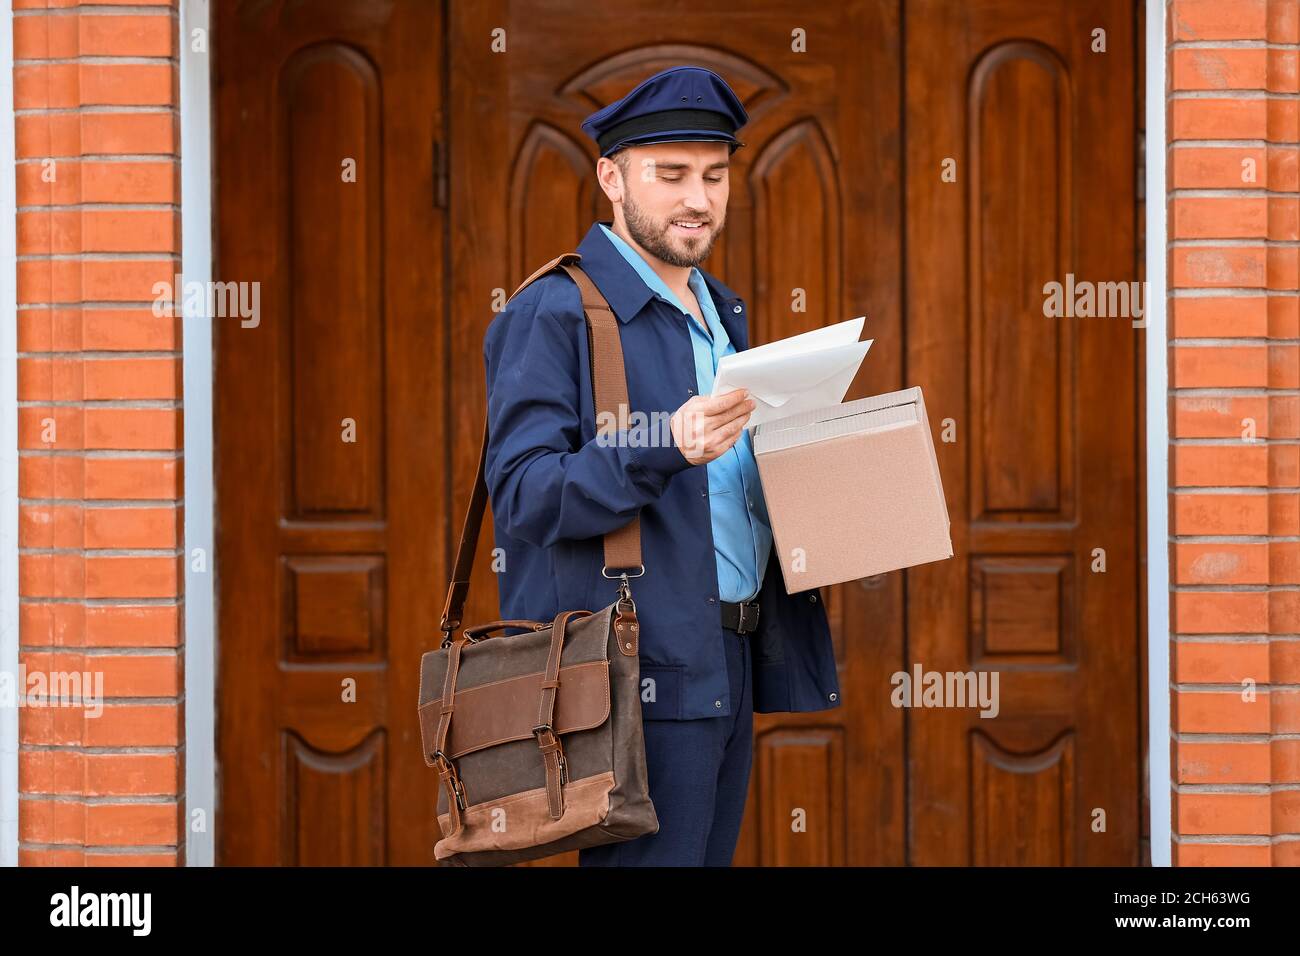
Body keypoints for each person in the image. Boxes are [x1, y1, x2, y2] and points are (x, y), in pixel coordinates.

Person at [482, 65, 841, 867]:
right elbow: (526, 494)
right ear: (611, 178)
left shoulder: (721, 310)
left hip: (733, 657)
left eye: (714, 176)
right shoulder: (552, 312)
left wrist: (843, 497)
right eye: (670, 174)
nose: (698, 199)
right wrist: (661, 446)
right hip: (634, 680)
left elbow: (733, 495)